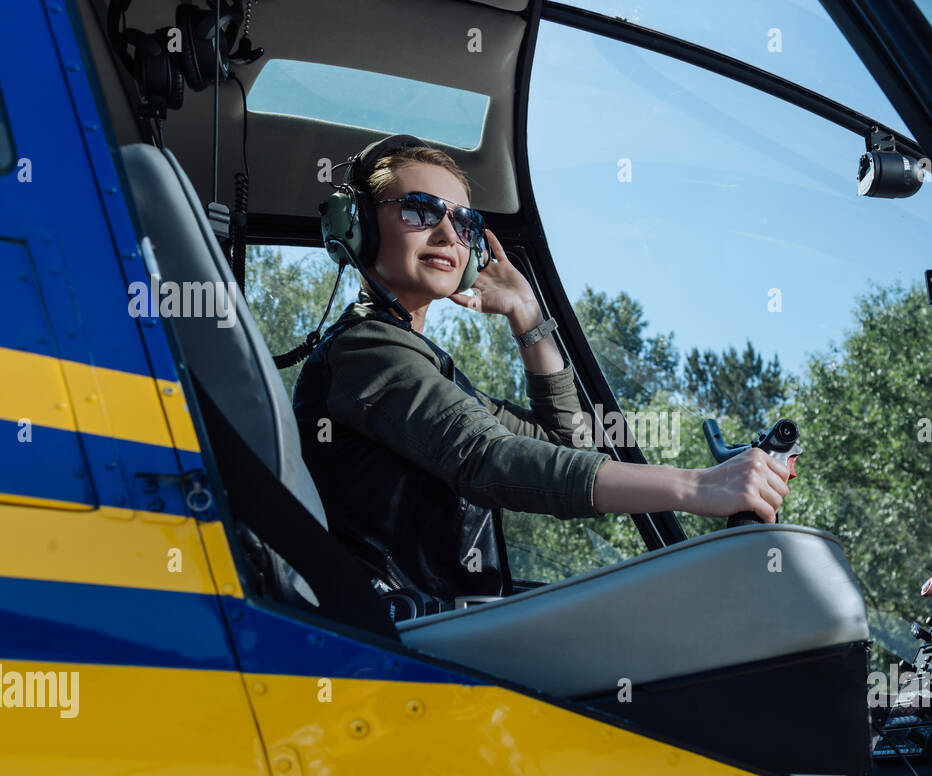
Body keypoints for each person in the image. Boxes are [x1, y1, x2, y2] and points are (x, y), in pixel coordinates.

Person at [294, 134, 791, 609]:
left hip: (436, 622)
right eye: (419, 210)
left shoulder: (422, 366)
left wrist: (527, 315)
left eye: (464, 222)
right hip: (384, 639)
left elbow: (566, 446)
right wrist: (700, 487)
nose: (447, 233)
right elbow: (489, 459)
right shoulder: (364, 352)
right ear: (356, 224)